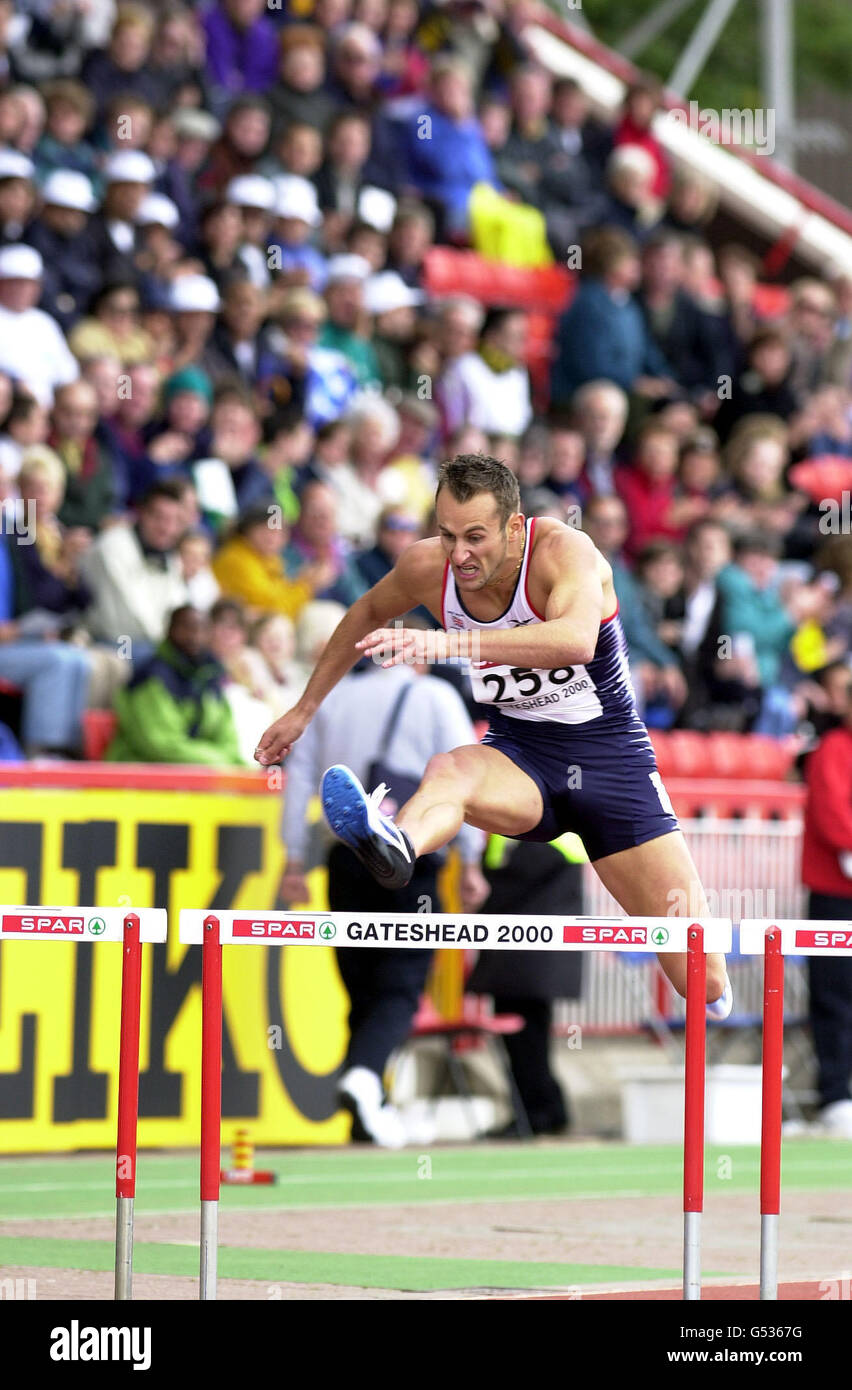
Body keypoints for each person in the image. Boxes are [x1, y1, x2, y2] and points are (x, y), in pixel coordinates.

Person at [256, 453, 731, 1014]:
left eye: (475, 537)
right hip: (520, 756)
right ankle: (396, 844)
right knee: (448, 769)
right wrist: (304, 709)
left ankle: (714, 988)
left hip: (609, 762)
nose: (460, 555)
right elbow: (364, 612)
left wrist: (452, 643)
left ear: (513, 527)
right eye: (447, 534)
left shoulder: (563, 552)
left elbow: (574, 641)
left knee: (702, 980)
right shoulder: (428, 567)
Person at [279, 620, 487, 1146]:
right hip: (409, 854)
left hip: (344, 858)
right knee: (401, 978)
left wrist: (294, 860)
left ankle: (363, 1111)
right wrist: (473, 858)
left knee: (359, 982)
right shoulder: (435, 695)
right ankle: (367, 1078)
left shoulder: (331, 700)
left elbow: (299, 778)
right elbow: (467, 778)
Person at [801, 675, 852, 1138]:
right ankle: (836, 1094)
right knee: (835, 996)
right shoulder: (833, 748)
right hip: (837, 893)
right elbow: (835, 817)